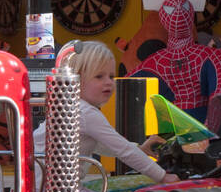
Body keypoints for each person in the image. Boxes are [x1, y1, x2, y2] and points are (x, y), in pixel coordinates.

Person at [33, 40, 177, 184]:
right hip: (58, 190)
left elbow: (102, 145)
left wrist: (140, 148)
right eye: (99, 76)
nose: (108, 82)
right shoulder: (86, 113)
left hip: (44, 186)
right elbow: (124, 150)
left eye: (111, 76)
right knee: (130, 190)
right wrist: (163, 176)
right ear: (76, 80)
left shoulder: (70, 107)